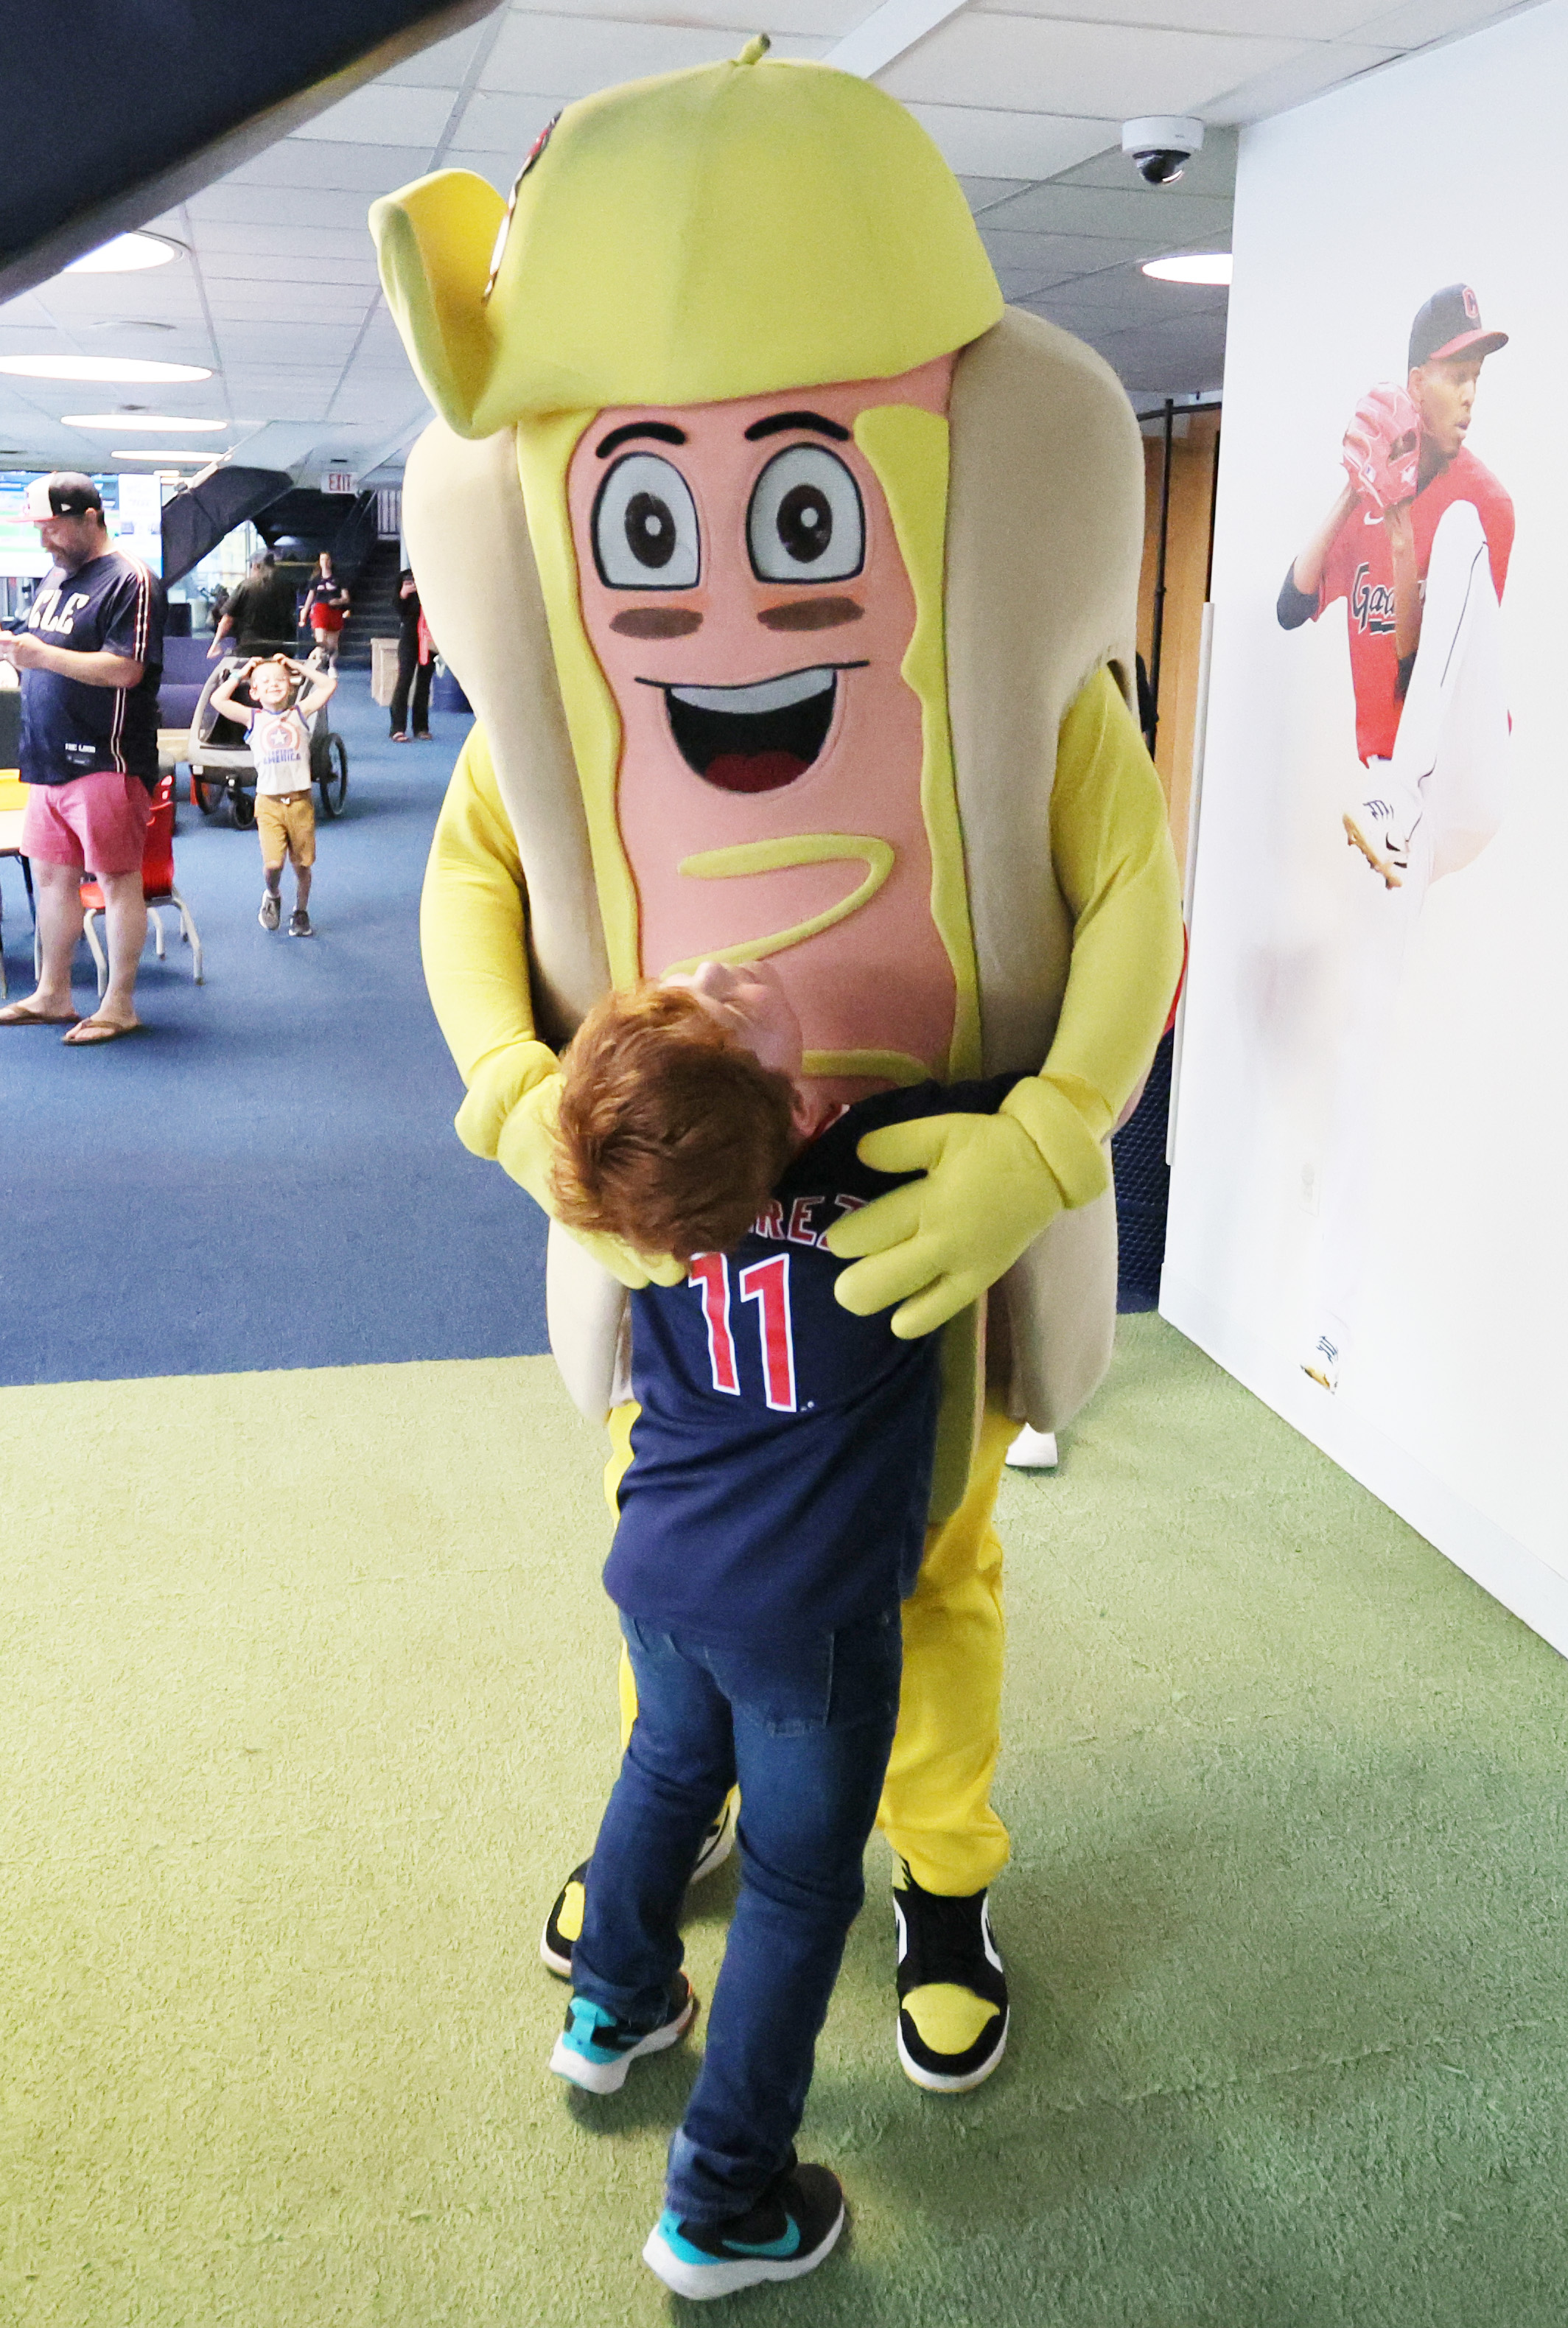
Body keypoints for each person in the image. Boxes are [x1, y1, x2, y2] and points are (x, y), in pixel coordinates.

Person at [374, 51, 1183, 2100]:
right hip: (678, 1206)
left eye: (801, 495)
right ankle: (696, 1786)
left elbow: (1131, 899)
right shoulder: (561, 701)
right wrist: (514, 1102)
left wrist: (1051, 1136)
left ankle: (942, 1872)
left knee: (929, 1559)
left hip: (929, 1214)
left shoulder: (1019, 684)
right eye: (656, 505)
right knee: (692, 1521)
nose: (731, 582)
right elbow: (474, 875)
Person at [548, 960, 1030, 2297]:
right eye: (708, 1010)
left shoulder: (639, 1201)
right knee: (800, 1886)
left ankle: (615, 2001)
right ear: (790, 1097)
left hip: (656, 1570)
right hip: (806, 1621)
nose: (708, 967)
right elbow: (1050, 1104)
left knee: (662, 1768)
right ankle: (721, 2200)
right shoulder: (878, 1168)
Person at [1278, 284, 1513, 1392]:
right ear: (1413, 379)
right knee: (1362, 1044)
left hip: (1461, 780)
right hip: (1394, 814)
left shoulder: (1480, 502)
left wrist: (1414, 520)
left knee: (1461, 530)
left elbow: (1443, 661)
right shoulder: (1367, 510)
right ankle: (1331, 1324)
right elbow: (1286, 605)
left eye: (1480, 371)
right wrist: (1354, 492)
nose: (1471, 390)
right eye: (1456, 369)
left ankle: (1396, 799)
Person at [0, 471, 165, 1044]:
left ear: (90, 517)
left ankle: (119, 1004)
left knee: (118, 880)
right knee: (51, 878)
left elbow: (126, 669)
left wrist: (41, 655)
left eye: (53, 528)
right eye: (39, 529)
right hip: (46, 758)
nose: (44, 540)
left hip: (105, 759)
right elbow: (32, 646)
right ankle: (54, 992)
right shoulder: (55, 574)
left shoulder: (131, 579)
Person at [209, 654, 335, 938]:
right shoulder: (254, 718)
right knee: (273, 864)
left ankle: (300, 912)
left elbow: (327, 686)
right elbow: (218, 701)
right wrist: (242, 673)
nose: (274, 685)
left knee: (302, 864)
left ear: (290, 687)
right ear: (254, 693)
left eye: (280, 680)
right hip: (268, 803)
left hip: (300, 801)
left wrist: (298, 667)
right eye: (265, 682)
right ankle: (273, 893)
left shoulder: (299, 713)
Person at [208, 550, 298, 660]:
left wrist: (215, 644)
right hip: (279, 648)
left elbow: (227, 620)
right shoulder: (287, 587)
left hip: (250, 647)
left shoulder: (247, 586)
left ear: (256, 566)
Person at [389, 568, 434, 741]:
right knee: (404, 679)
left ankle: (421, 727)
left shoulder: (433, 577)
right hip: (409, 636)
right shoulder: (404, 577)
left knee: (424, 683)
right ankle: (397, 728)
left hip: (429, 638)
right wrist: (403, 594)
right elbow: (397, 608)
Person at [301, 551, 350, 664]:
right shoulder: (316, 580)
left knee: (333, 644)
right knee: (321, 640)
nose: (325, 562)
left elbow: (346, 598)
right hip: (320, 609)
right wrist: (304, 611)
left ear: (331, 562)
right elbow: (310, 597)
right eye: (322, 560)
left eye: (327, 560)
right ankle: (317, 661)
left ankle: (331, 665)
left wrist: (339, 601)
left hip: (334, 610)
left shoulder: (339, 579)